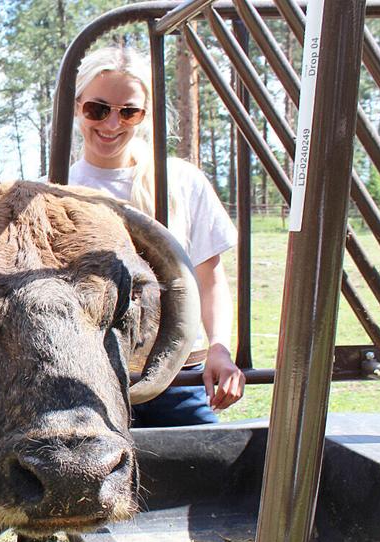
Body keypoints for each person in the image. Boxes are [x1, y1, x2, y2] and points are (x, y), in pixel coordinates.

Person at [62, 45, 245, 427]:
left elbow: (210, 280)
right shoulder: (55, 187)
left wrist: (220, 348)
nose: (112, 124)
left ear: (145, 115)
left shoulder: (180, 181)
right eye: (98, 109)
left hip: (176, 375)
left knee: (199, 478)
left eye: (128, 111)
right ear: (77, 106)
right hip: (86, 375)